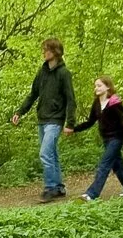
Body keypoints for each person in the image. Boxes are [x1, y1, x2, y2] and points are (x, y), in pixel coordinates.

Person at [8, 38, 76, 202]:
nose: (44, 52)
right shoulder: (42, 71)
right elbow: (33, 94)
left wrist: (70, 123)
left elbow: (71, 99)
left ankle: (50, 188)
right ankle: (59, 187)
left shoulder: (63, 73)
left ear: (55, 52)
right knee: (52, 153)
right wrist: (20, 112)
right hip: (42, 119)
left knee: (45, 153)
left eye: (47, 49)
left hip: (55, 119)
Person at [71, 77, 123, 199]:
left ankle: (91, 194)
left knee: (104, 164)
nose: (96, 88)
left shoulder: (114, 103)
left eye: (99, 85)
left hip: (116, 139)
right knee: (118, 165)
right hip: (106, 139)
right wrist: (74, 129)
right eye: (95, 86)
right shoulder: (96, 104)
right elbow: (90, 122)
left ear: (108, 87)